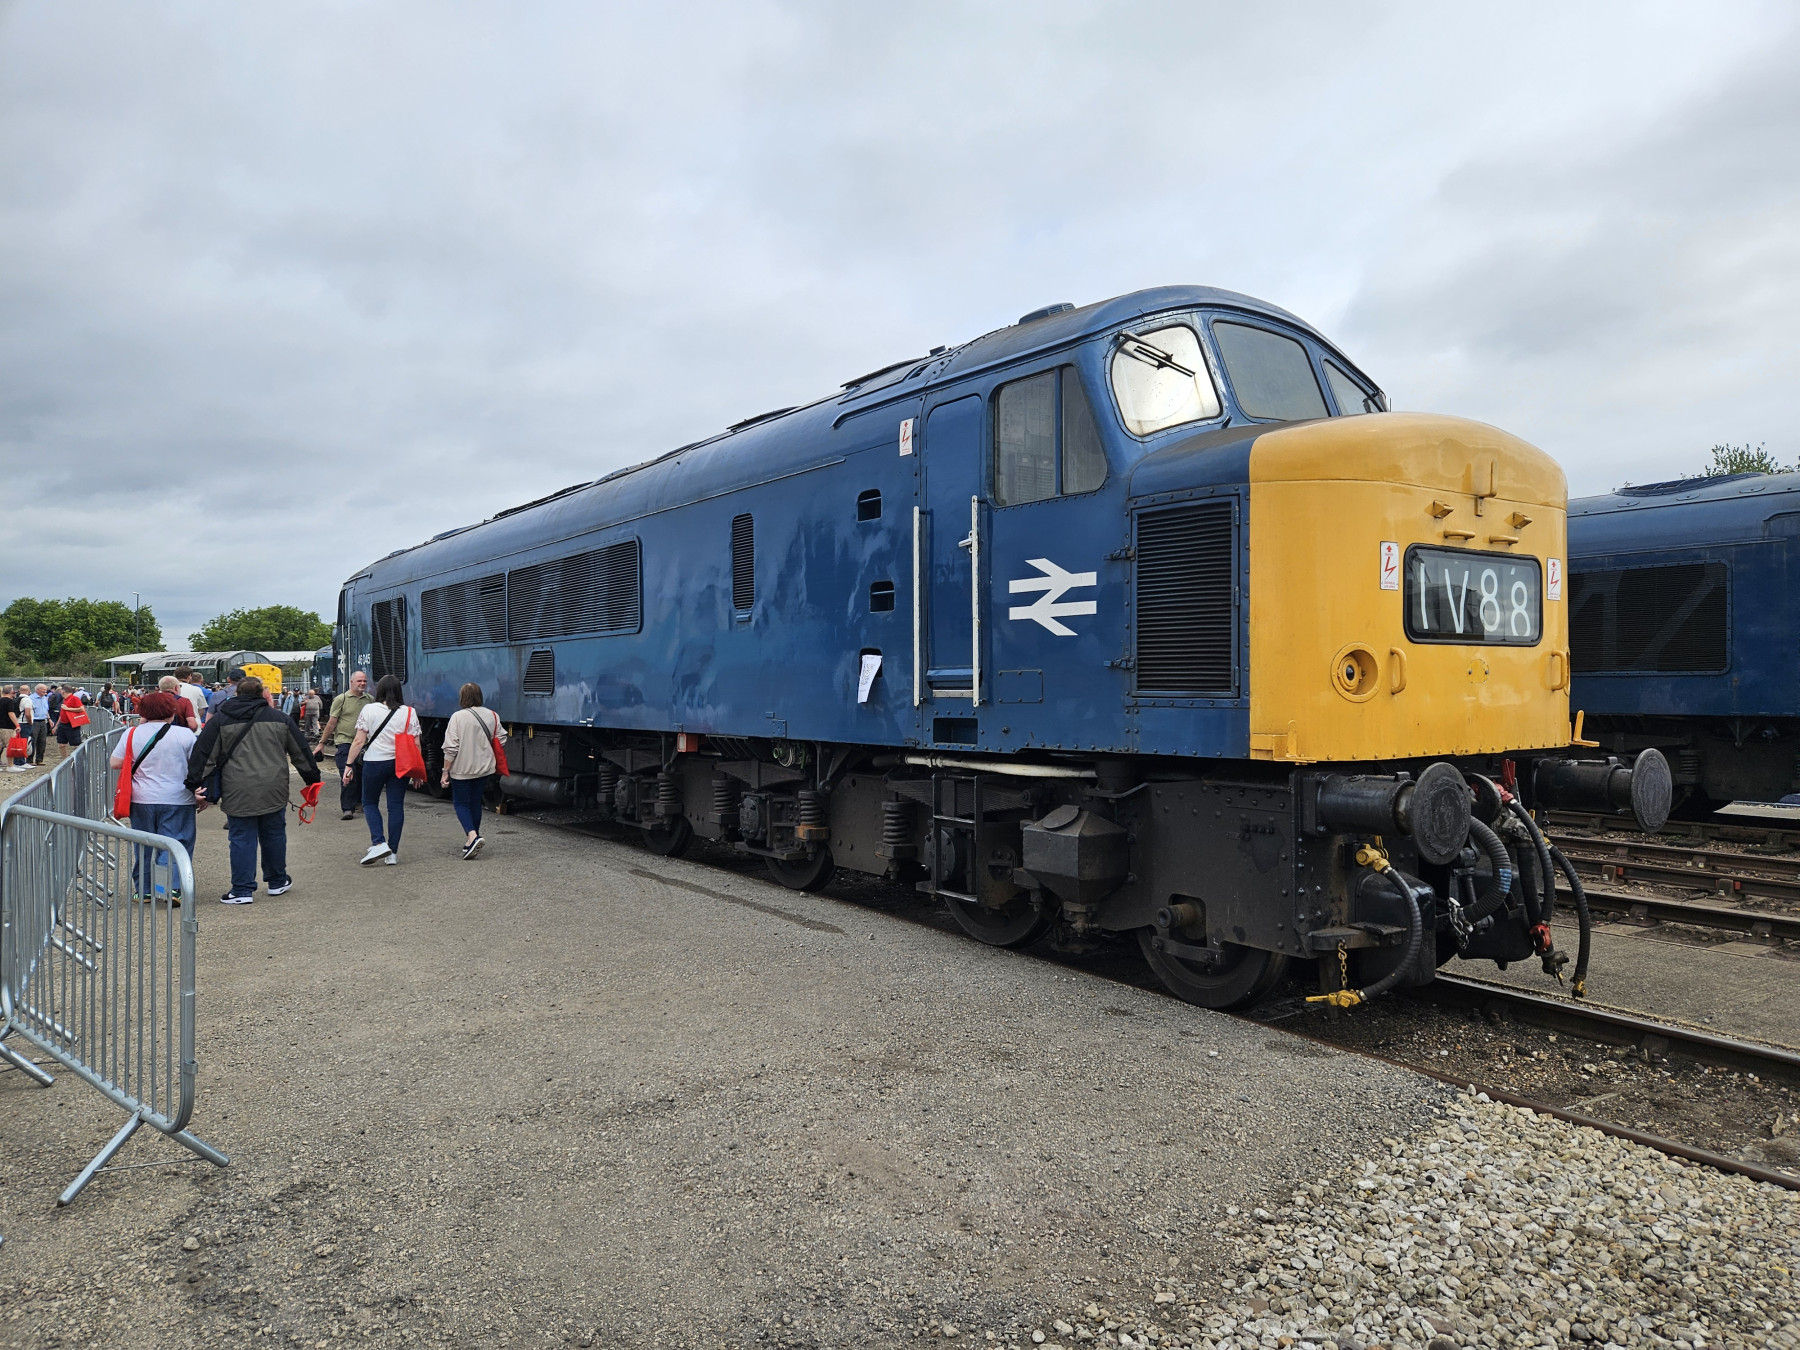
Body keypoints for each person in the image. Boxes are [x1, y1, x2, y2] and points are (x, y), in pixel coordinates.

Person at [184, 674, 320, 905]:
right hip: (274, 786)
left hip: (237, 787)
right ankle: (277, 881)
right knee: (274, 833)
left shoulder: (220, 720)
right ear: (262, 694)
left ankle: (242, 889)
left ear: (236, 694)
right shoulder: (280, 719)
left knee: (241, 837)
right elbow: (301, 752)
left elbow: (205, 754)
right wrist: (311, 779)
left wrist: (195, 784)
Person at [110, 691, 201, 901]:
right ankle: (170, 887)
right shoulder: (185, 735)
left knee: (144, 843)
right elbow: (195, 766)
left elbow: (115, 762)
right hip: (178, 797)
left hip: (141, 798)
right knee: (176, 842)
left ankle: (145, 889)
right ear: (172, 711)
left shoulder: (131, 733)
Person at [342, 674, 417, 866]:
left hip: (374, 763)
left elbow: (359, 741)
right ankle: (392, 853)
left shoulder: (369, 709)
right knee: (395, 806)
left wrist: (349, 765)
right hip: (399, 765)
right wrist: (417, 772)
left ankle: (378, 842)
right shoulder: (409, 712)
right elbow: (416, 745)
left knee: (369, 803)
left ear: (379, 690)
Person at [440, 682, 506, 859]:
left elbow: (451, 748)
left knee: (460, 803)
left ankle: (473, 835)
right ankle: (471, 842)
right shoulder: (492, 715)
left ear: (463, 697)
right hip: (483, 768)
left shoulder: (458, 717)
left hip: (462, 769)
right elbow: (501, 738)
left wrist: (445, 771)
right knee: (475, 803)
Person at [316, 670, 372, 821]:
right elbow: (332, 722)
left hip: (365, 744)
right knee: (348, 774)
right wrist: (322, 743)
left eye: (364, 681)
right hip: (345, 742)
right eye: (359, 681)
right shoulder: (342, 699)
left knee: (362, 775)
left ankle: (359, 802)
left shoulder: (370, 700)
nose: (362, 684)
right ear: (351, 682)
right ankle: (348, 808)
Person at [54, 685, 85, 760]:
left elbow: (81, 708)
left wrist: (68, 708)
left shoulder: (74, 698)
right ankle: (65, 760)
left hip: (72, 724)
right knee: (61, 744)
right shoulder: (65, 700)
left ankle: (80, 759)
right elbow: (62, 714)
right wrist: (56, 726)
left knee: (76, 744)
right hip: (63, 724)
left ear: (63, 691)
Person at [1, 685, 23, 772]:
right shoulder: (9, 701)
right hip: (7, 726)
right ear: (11, 692)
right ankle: (10, 765)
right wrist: (17, 724)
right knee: (11, 745)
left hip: (1, 726)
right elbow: (11, 713)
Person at [28, 684, 50, 765]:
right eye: (43, 689)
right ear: (37, 690)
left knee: (42, 741)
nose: (45, 691)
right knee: (33, 740)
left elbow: (46, 710)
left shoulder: (45, 698)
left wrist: (49, 719)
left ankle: (39, 759)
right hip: (35, 721)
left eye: (45, 689)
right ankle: (29, 760)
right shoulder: (31, 698)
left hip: (43, 721)